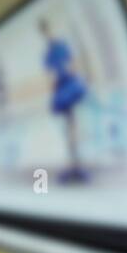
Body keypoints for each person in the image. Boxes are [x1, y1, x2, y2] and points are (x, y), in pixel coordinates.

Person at [39, 18, 89, 183]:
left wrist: (71, 70)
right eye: (45, 32)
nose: (48, 34)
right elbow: (49, 75)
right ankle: (74, 163)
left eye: (48, 30)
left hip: (70, 85)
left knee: (73, 124)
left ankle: (77, 163)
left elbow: (73, 63)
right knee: (68, 127)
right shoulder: (47, 53)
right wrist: (53, 82)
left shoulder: (62, 45)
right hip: (61, 90)